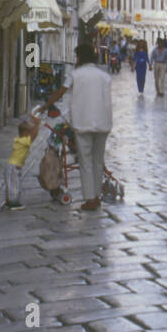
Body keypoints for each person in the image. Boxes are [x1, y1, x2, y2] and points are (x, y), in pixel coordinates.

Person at [47, 40, 113, 211]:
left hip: (83, 123)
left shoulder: (76, 74)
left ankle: (90, 198)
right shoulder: (104, 76)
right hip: (103, 122)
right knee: (98, 161)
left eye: (76, 56)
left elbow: (61, 91)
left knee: (85, 162)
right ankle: (96, 196)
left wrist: (45, 105)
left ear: (80, 57)